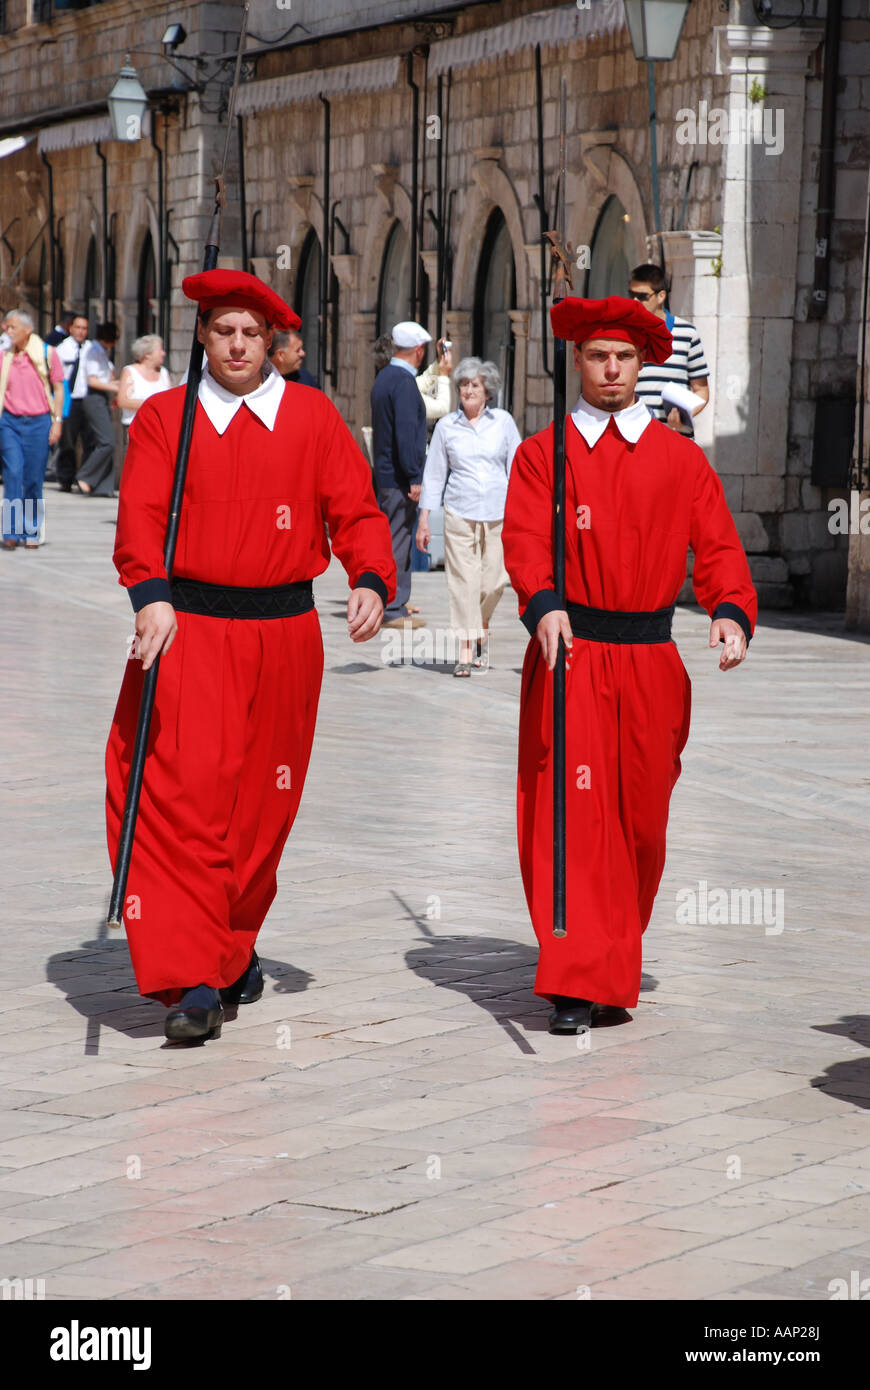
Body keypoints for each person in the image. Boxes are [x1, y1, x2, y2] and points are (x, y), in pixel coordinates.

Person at [105, 269, 395, 1044]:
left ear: (273, 343)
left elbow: (355, 508)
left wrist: (369, 574)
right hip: (190, 632)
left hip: (285, 638)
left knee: (260, 812)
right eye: (223, 331)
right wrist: (151, 594)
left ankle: (230, 949)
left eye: (252, 334)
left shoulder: (309, 416)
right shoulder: (169, 418)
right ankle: (191, 979)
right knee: (185, 799)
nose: (237, 345)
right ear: (202, 336)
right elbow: (139, 516)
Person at [502, 295, 756, 1036]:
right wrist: (542, 600)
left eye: (622, 357)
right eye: (595, 356)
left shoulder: (681, 459)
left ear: (642, 365)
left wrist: (731, 612)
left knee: (641, 824)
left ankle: (613, 958)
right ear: (577, 362)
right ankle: (576, 976)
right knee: (571, 816)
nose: (610, 369)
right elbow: (523, 540)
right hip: (570, 653)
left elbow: (716, 547)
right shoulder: (540, 455)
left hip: (650, 661)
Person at [416, 357, 521, 676]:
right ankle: (466, 651)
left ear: (487, 390)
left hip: (498, 512)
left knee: (493, 582)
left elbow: (518, 468)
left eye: (475, 385)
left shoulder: (503, 422)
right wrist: (424, 518)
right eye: (463, 385)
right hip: (459, 511)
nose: (468, 390)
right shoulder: (448, 427)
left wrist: (526, 511)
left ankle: (480, 625)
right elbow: (434, 475)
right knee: (463, 582)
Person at [370, 320, 431, 630]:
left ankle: (393, 599)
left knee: (391, 537)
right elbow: (407, 435)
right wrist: (415, 476)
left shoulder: (384, 378)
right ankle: (393, 606)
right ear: (418, 351)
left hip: (385, 475)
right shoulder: (404, 383)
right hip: (399, 478)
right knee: (399, 538)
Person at [0, 309, 64, 550]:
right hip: (9, 422)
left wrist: (57, 421)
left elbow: (58, 389)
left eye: (13, 327)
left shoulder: (47, 354)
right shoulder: (4, 356)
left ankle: (31, 530)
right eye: (7, 327)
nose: (8, 330)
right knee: (13, 473)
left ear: (28, 330)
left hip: (39, 422)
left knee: (33, 479)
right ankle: (11, 531)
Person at [629, 263, 709, 436]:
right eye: (631, 295)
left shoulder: (687, 333)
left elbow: (701, 390)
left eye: (642, 296)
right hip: (636, 438)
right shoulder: (626, 334)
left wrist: (684, 415)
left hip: (676, 437)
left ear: (661, 296)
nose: (635, 301)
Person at [76, 321, 120, 495]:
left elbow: (106, 380)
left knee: (103, 441)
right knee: (107, 441)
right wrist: (117, 388)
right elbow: (93, 381)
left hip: (100, 398)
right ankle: (85, 477)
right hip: (93, 397)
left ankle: (103, 487)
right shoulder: (94, 352)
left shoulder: (101, 352)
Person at [55, 312, 92, 492]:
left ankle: (84, 478)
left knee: (89, 440)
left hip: (87, 399)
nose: (81, 331)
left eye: (84, 328)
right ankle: (65, 478)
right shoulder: (62, 349)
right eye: (78, 327)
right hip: (69, 400)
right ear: (71, 328)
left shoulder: (92, 349)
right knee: (68, 441)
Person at [117, 335, 171, 438]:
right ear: (148, 355)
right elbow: (122, 401)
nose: (163, 353)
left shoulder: (164, 373)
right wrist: (153, 405)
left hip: (160, 429)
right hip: (136, 427)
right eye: (160, 350)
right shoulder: (130, 372)